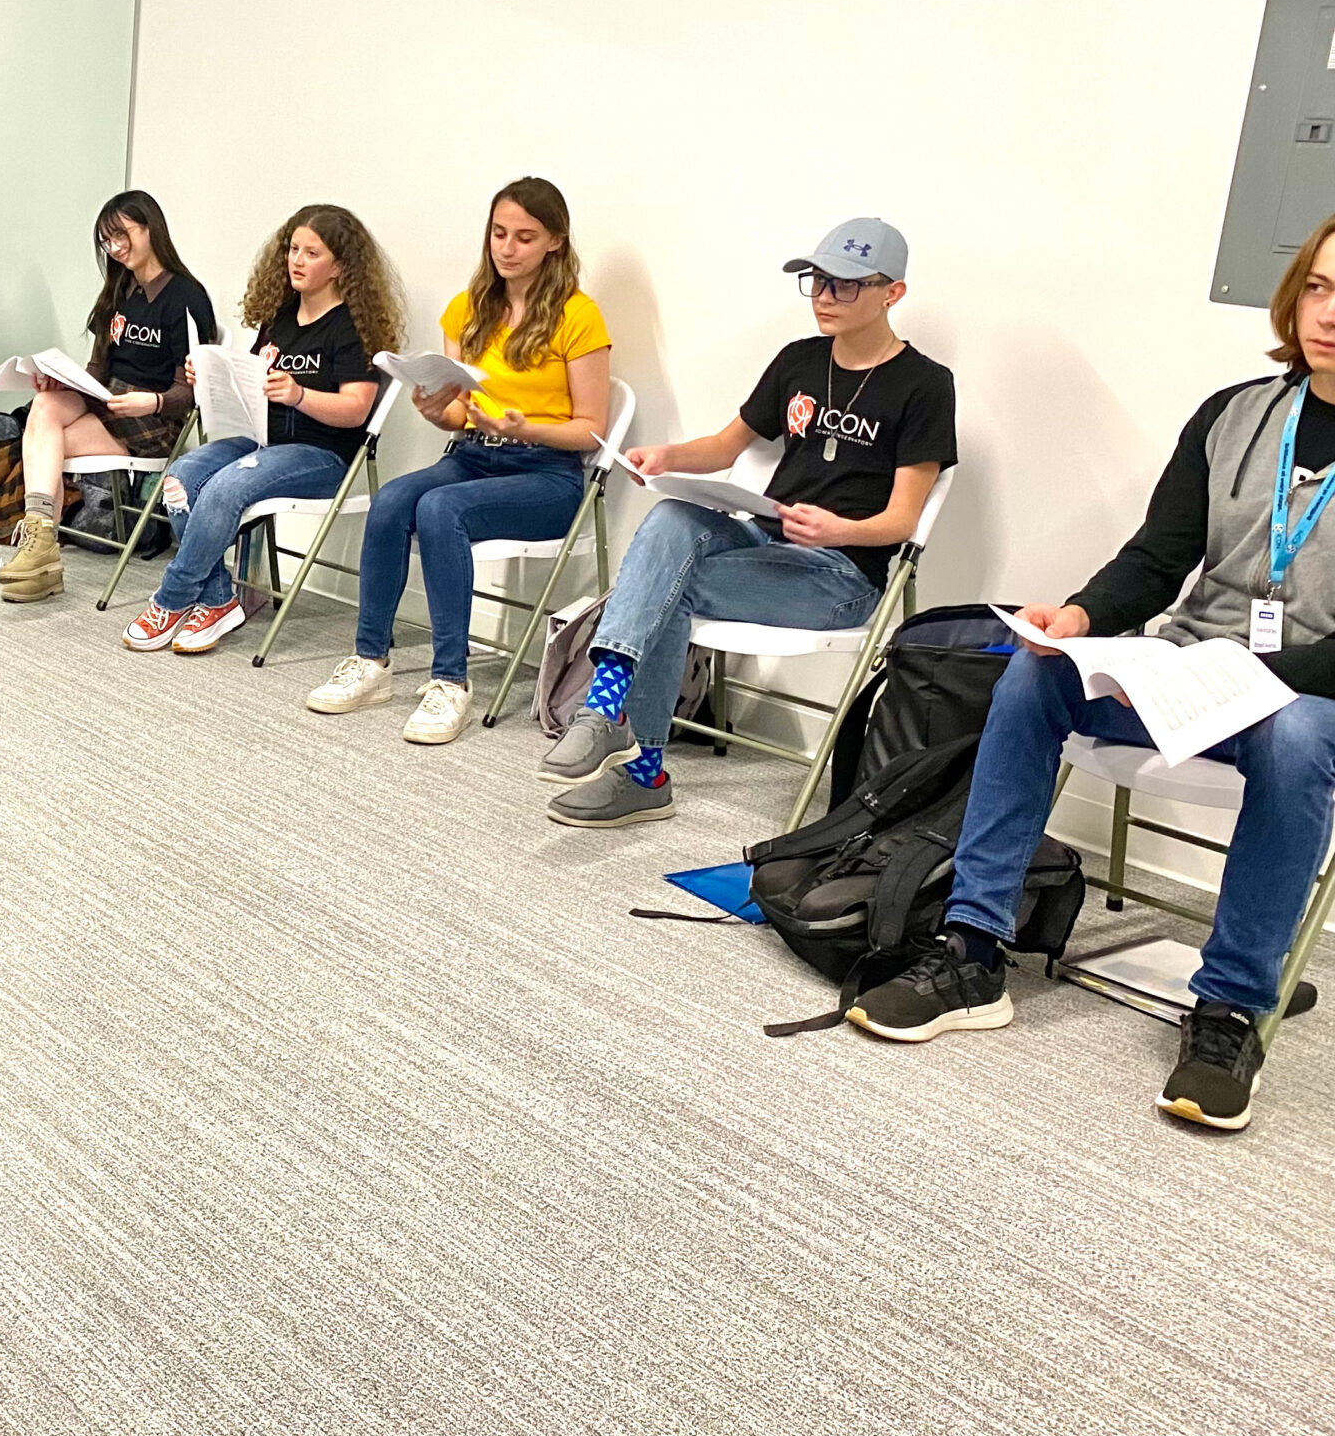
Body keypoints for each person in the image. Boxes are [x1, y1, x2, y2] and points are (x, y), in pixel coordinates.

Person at [847, 214, 1335, 1130]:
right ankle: (974, 949)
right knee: (1035, 674)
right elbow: (1159, 557)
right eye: (1319, 287)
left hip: (1305, 698)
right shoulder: (1236, 414)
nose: (1329, 313)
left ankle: (1229, 1007)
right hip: (1192, 668)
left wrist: (1257, 670)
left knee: (1301, 732)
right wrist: (1075, 618)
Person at [536, 217, 955, 827]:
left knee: (664, 590)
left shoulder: (925, 385)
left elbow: (902, 519)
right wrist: (666, 458)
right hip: (765, 536)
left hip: (840, 575)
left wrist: (838, 529)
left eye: (845, 285)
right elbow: (728, 447)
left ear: (893, 292)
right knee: (674, 513)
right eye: (816, 282)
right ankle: (605, 717)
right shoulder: (800, 361)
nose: (825, 298)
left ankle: (638, 766)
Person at [305, 177, 612, 743]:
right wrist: (433, 408)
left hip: (547, 474)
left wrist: (528, 428)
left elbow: (593, 429)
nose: (508, 248)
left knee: (443, 508)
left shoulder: (579, 316)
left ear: (555, 243)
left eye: (525, 236)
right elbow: (458, 414)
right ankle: (371, 662)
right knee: (394, 497)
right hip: (474, 455)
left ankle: (451, 682)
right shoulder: (467, 310)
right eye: (499, 233)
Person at [120, 204, 401, 656]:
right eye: (293, 249)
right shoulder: (281, 317)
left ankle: (171, 599)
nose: (296, 260)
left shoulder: (351, 327)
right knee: (180, 477)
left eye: (312, 253)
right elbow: (251, 382)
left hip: (323, 454)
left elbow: (356, 409)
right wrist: (208, 375)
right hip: (263, 439)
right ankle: (216, 600)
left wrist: (299, 395)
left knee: (224, 488)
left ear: (340, 266)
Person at [0, 189, 218, 604]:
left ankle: (42, 554)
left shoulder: (185, 297)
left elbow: (189, 391)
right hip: (108, 401)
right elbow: (98, 369)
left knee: (43, 439)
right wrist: (63, 381)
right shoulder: (119, 290)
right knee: (44, 406)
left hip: (153, 418)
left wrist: (150, 402)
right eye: (107, 240)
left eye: (122, 235)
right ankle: (41, 539)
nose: (115, 249)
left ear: (150, 227)